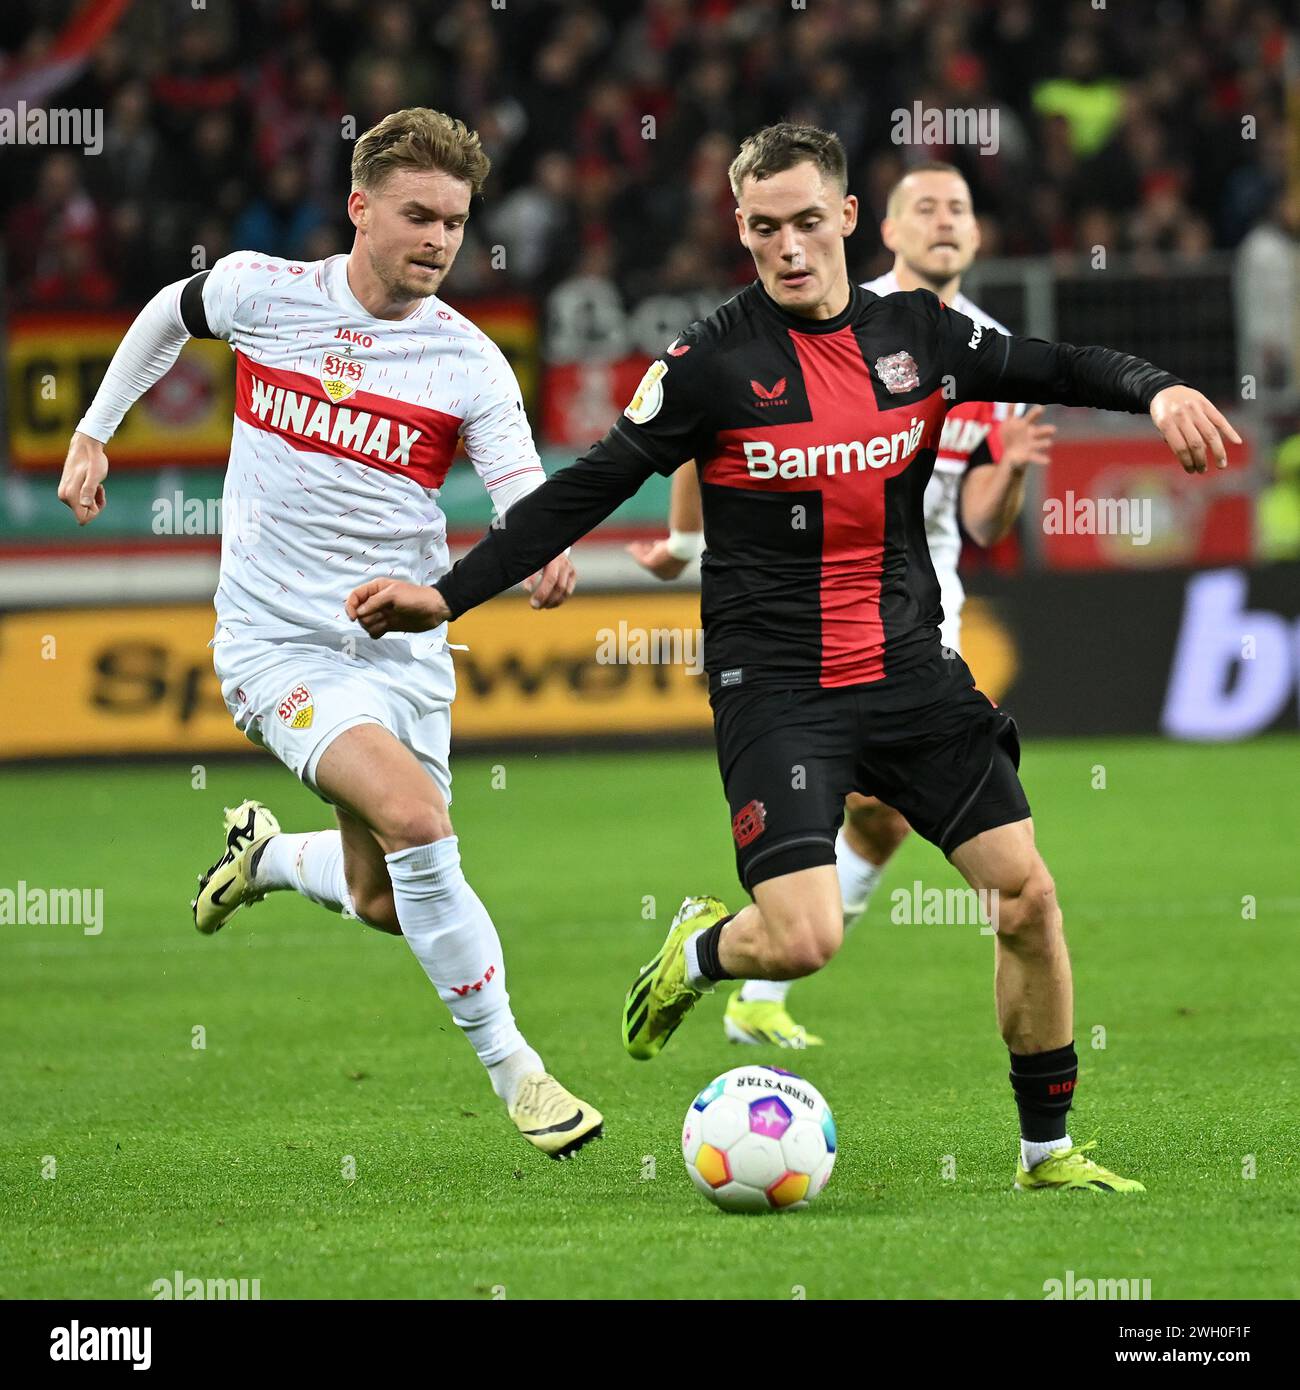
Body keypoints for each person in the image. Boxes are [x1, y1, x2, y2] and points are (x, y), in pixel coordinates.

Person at [341, 123, 1240, 1193]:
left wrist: (1157, 389)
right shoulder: (708, 362)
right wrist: (445, 595)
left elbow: (1058, 364)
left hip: (910, 671)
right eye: (764, 229)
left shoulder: (921, 335)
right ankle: (703, 953)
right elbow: (585, 489)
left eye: (809, 222)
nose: (790, 248)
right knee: (806, 941)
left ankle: (1045, 1154)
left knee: (1027, 900)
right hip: (778, 691)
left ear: (849, 219)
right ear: (741, 230)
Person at [56, 107, 603, 1160]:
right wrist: (93, 430)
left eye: (454, 220)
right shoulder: (268, 292)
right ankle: (521, 1074)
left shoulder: (469, 363)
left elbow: (520, 486)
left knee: (383, 896)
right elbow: (168, 312)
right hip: (277, 647)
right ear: (359, 208)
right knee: (421, 821)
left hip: (401, 654)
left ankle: (265, 857)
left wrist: (542, 544)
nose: (440, 240)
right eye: (418, 215)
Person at [629, 161, 1056, 1049]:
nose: (945, 221)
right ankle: (765, 965)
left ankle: (762, 973)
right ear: (881, 229)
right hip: (808, 615)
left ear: (978, 236)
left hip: (921, 611)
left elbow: (978, 519)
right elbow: (694, 429)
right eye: (925, 207)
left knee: (892, 821)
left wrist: (1010, 469)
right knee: (874, 818)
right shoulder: (825, 308)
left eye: (961, 209)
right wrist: (683, 546)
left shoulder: (986, 349)